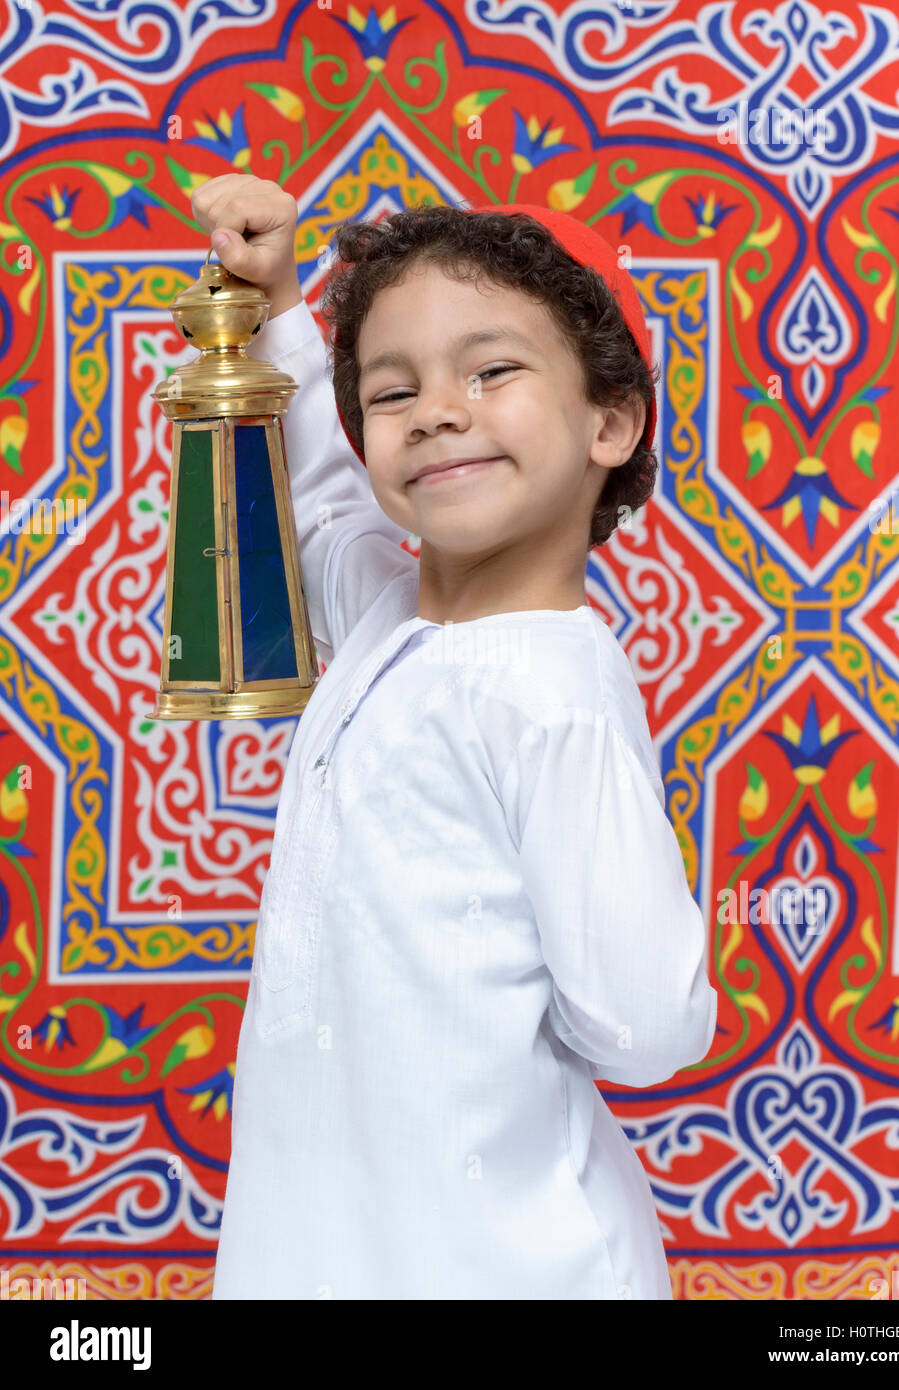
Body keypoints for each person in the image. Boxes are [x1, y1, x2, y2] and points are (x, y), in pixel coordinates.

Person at [189, 174, 718, 1299]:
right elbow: (328, 506)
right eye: (392, 392)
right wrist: (280, 299)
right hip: (325, 1244)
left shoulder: (550, 696)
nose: (434, 409)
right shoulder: (387, 613)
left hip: (503, 1261)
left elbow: (646, 1022)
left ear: (608, 422)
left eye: (491, 370)